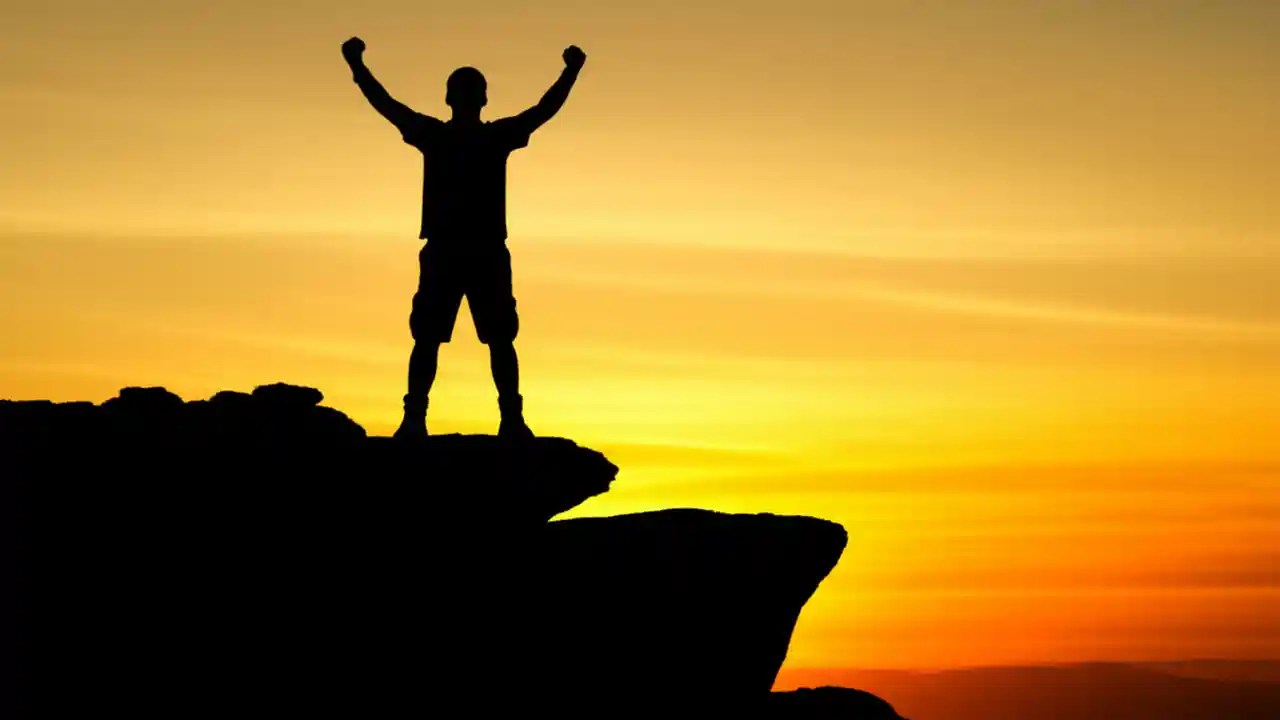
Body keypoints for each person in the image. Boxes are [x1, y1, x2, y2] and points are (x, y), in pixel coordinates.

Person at [341, 36, 586, 439]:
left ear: (451, 99)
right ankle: (432, 418)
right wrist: (571, 71)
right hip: (458, 249)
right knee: (447, 338)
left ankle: (494, 418)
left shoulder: (459, 137)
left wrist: (357, 66)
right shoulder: (470, 137)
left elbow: (386, 104)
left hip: (472, 249)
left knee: (484, 338)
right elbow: (543, 111)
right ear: (478, 99)